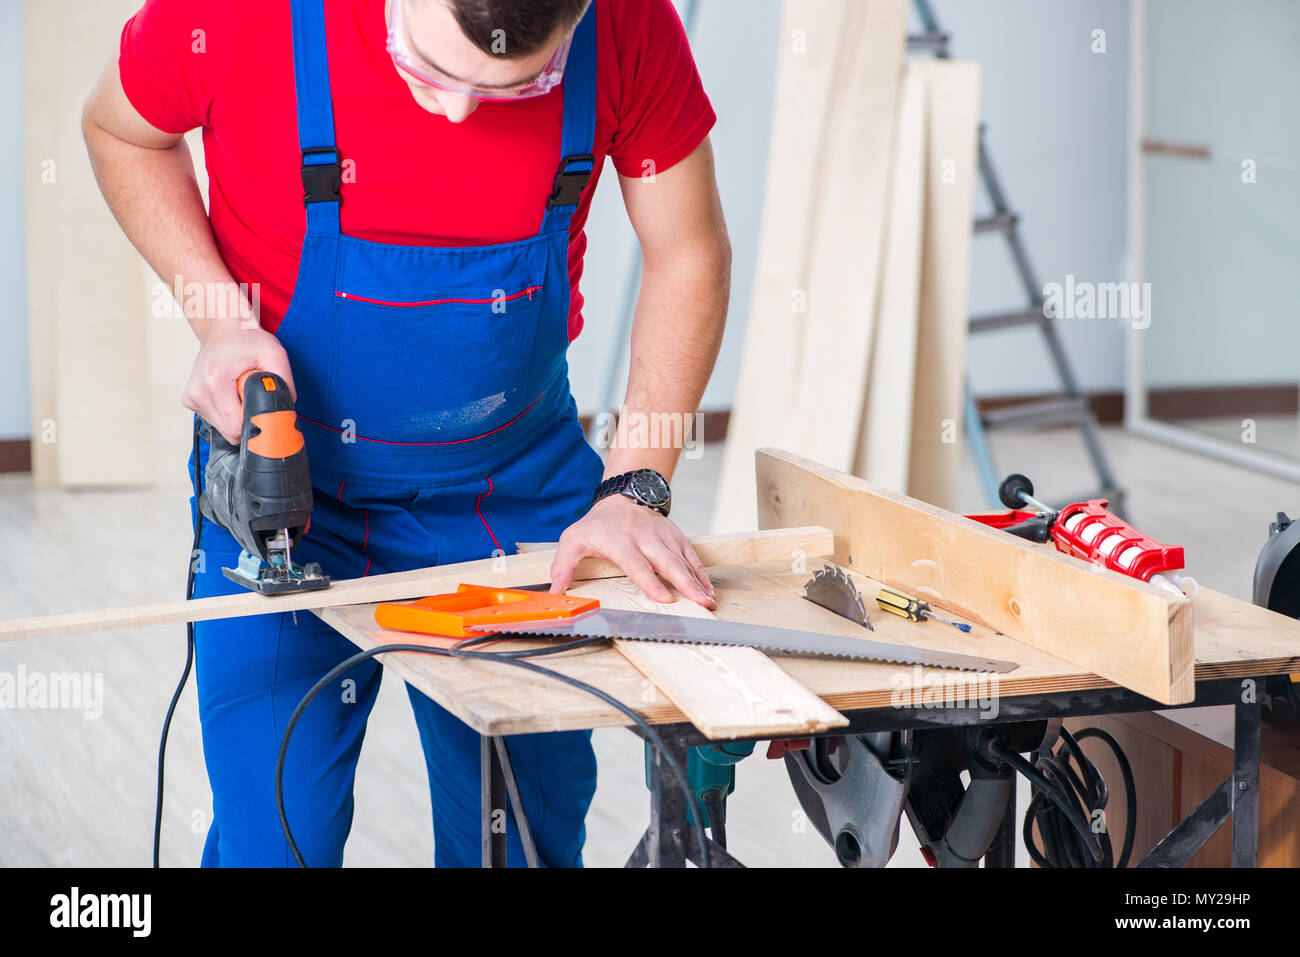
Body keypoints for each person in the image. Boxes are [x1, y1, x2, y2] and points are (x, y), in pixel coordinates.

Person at [82, 0, 731, 867]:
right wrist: (218, 319)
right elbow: (120, 130)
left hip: (515, 499)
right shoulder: (237, 16)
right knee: (276, 842)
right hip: (289, 495)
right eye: (433, 70)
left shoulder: (625, 24)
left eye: (520, 85)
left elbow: (687, 251)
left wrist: (633, 489)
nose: (460, 112)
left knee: (518, 843)